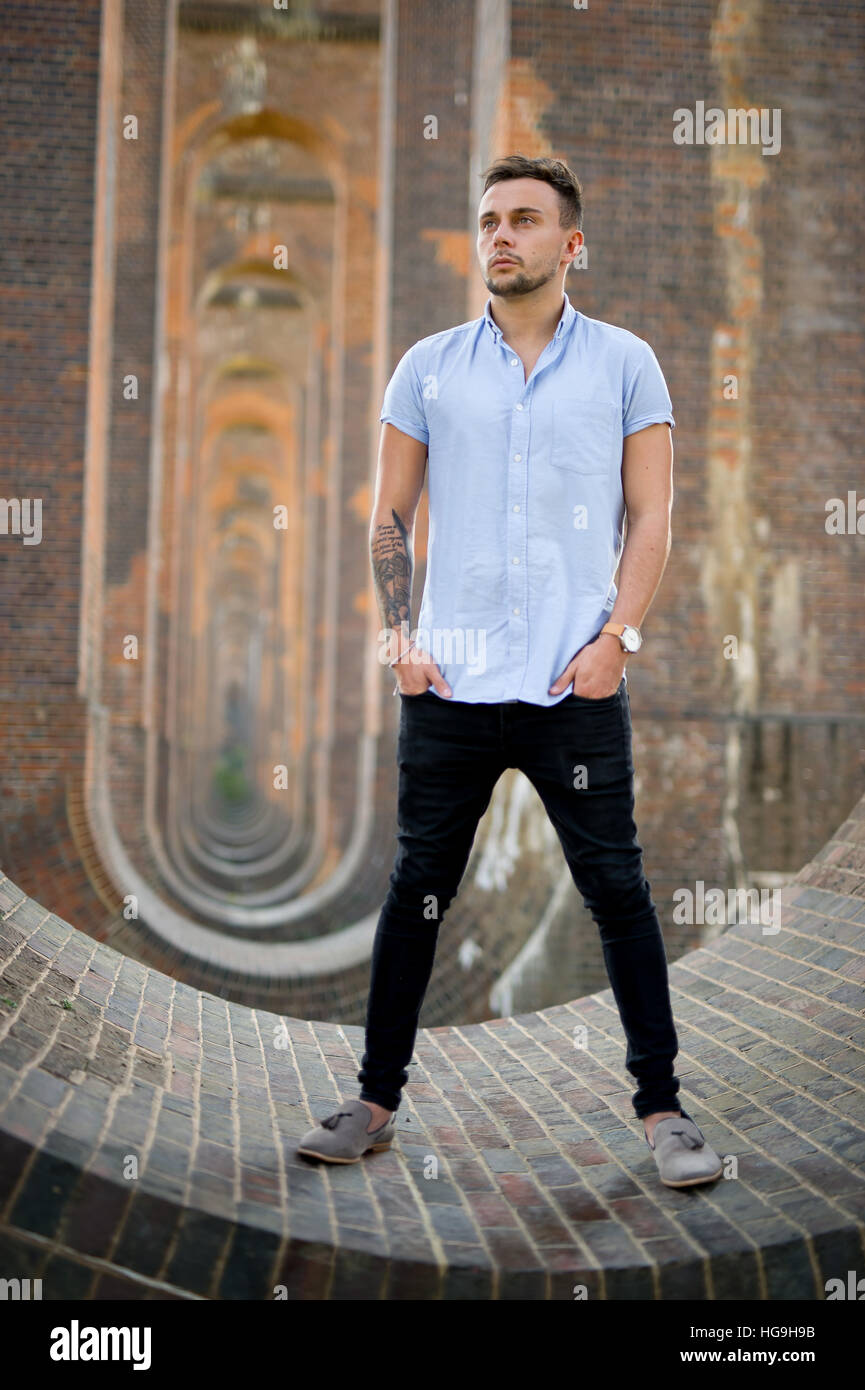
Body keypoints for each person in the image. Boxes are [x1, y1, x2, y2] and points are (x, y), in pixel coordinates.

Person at [297, 154, 722, 1188]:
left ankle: (663, 1111)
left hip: (569, 690)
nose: (501, 236)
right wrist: (400, 640)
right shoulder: (428, 366)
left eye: (525, 220)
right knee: (415, 896)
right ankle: (373, 1100)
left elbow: (653, 513)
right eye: (489, 219)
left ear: (569, 245)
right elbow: (389, 515)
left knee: (617, 893)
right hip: (448, 691)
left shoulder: (626, 363)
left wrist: (617, 640)